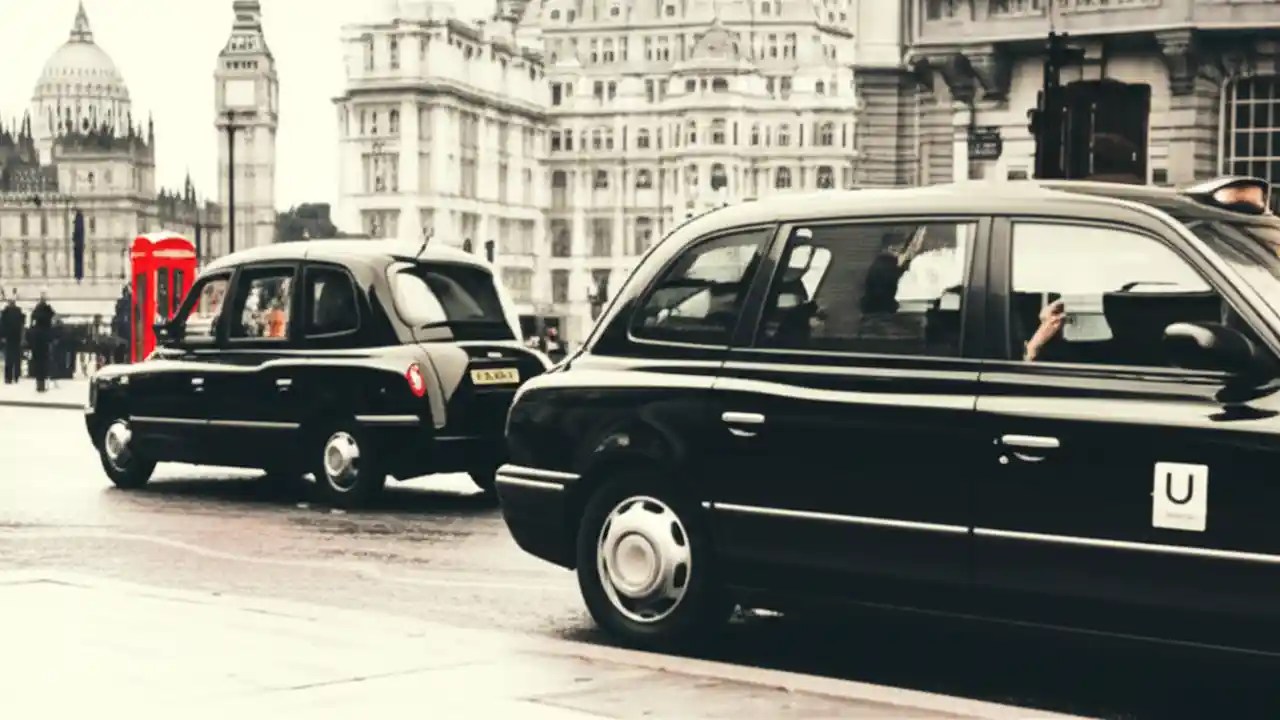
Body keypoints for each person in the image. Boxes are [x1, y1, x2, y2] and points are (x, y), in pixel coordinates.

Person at [28, 289, 56, 392]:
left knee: (38, 361)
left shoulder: (37, 310)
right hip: (45, 339)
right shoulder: (48, 310)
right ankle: (42, 383)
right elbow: (53, 316)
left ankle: (39, 383)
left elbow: (32, 319)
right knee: (44, 361)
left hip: (37, 339)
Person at [1, 291, 24, 384]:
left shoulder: (5, 312)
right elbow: (22, 325)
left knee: (9, 358)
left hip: (8, 338)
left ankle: (8, 377)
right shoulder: (19, 311)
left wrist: (2, 336)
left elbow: (2, 325)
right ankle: (16, 376)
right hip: (16, 337)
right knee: (16, 358)